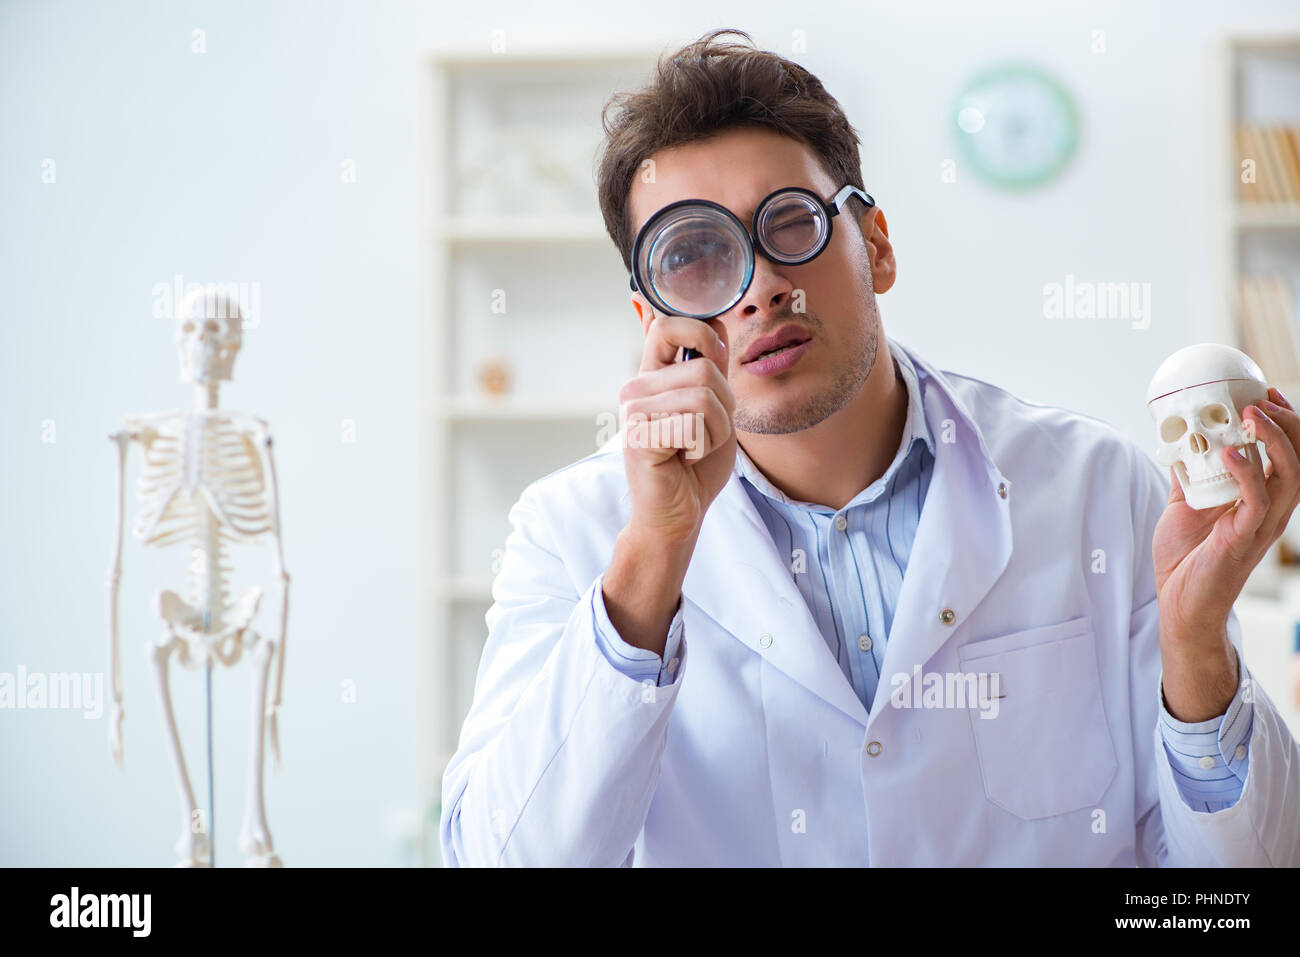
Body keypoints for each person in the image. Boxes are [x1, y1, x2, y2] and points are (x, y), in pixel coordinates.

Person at [440, 29, 1300, 866]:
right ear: (653, 323)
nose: (760, 288)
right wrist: (652, 562)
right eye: (696, 256)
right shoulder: (573, 533)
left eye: (789, 223)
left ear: (877, 246)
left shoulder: (1094, 488)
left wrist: (1198, 654)